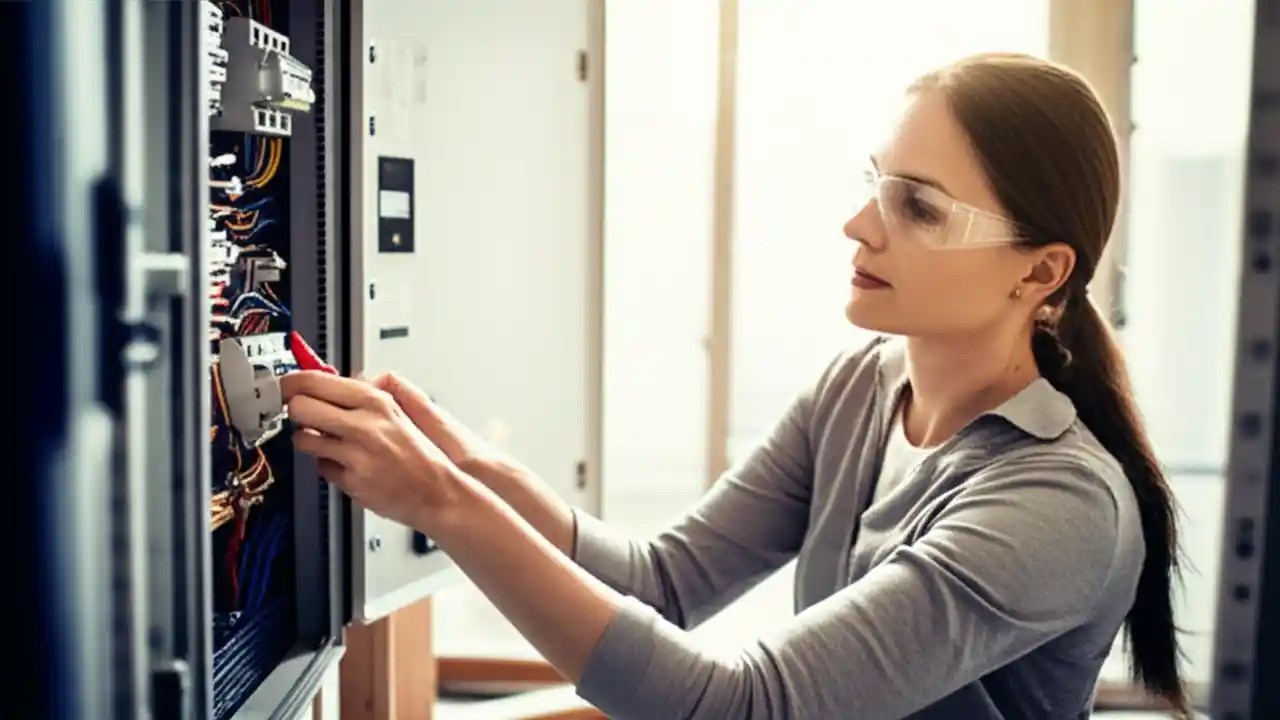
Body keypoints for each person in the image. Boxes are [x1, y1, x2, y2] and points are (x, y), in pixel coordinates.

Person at [281, 51, 1188, 719]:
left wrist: (443, 503)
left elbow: (742, 708)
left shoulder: (1059, 502)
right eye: (877, 183)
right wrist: (467, 464)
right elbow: (665, 582)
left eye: (918, 207)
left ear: (1038, 274)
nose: (859, 223)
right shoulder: (858, 391)